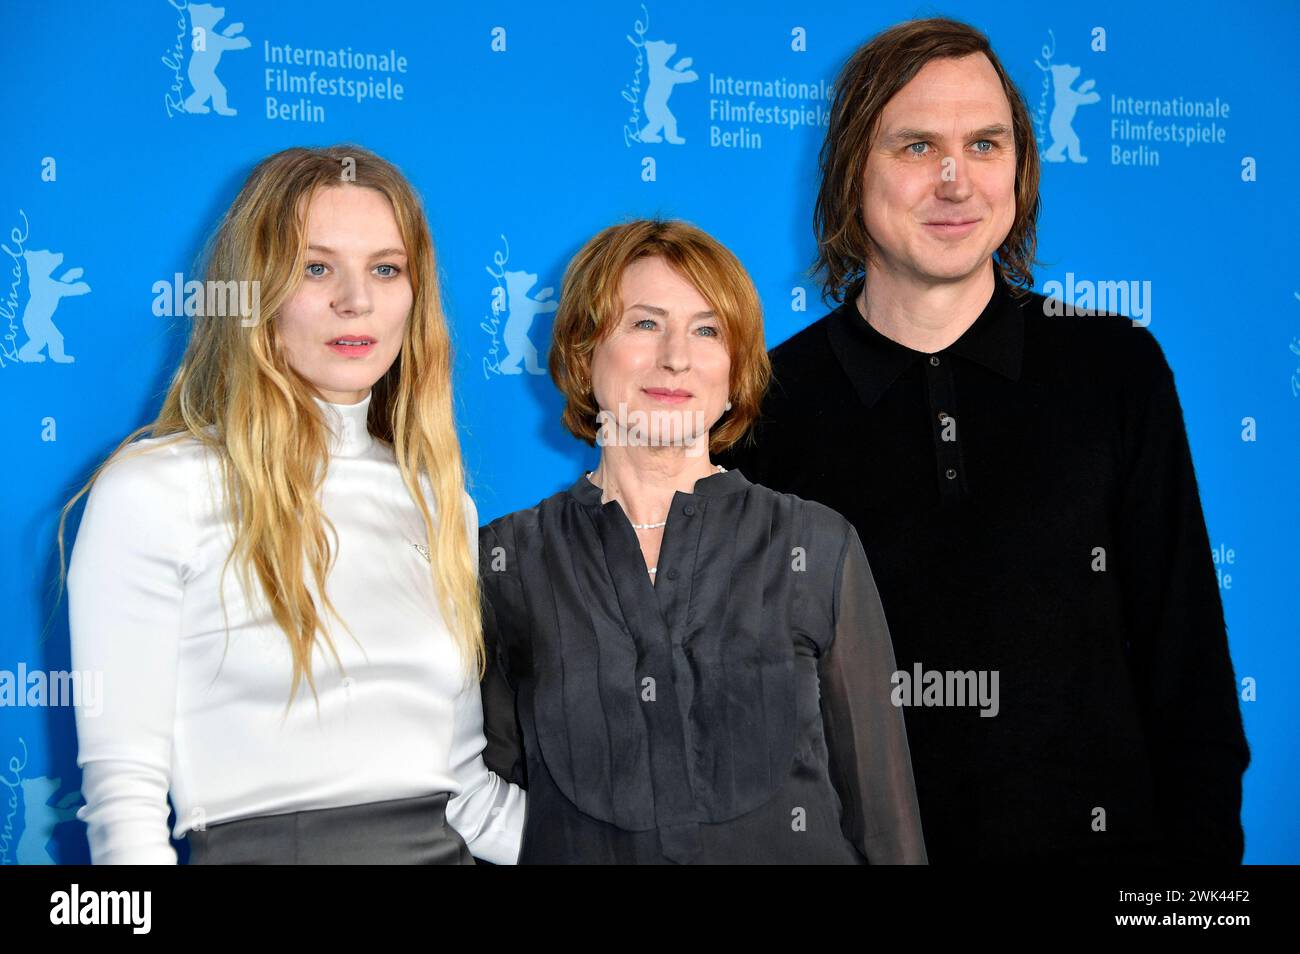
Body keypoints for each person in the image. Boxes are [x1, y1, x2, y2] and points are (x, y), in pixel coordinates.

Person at [717, 17, 1250, 863]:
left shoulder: (1117, 370)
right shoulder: (763, 407)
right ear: (854, 167)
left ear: (1021, 169)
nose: (956, 181)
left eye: (985, 143)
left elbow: (1190, 688)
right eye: (918, 146)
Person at [60, 144, 524, 864]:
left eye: (385, 268)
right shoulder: (154, 490)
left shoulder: (438, 502)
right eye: (316, 267)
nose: (356, 299)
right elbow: (125, 807)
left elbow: (467, 795)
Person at [477, 218, 926, 864]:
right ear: (582, 350)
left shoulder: (816, 546)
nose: (677, 358)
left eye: (707, 330)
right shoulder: (507, 562)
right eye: (645, 323)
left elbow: (886, 826)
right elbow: (488, 806)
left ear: (735, 368)